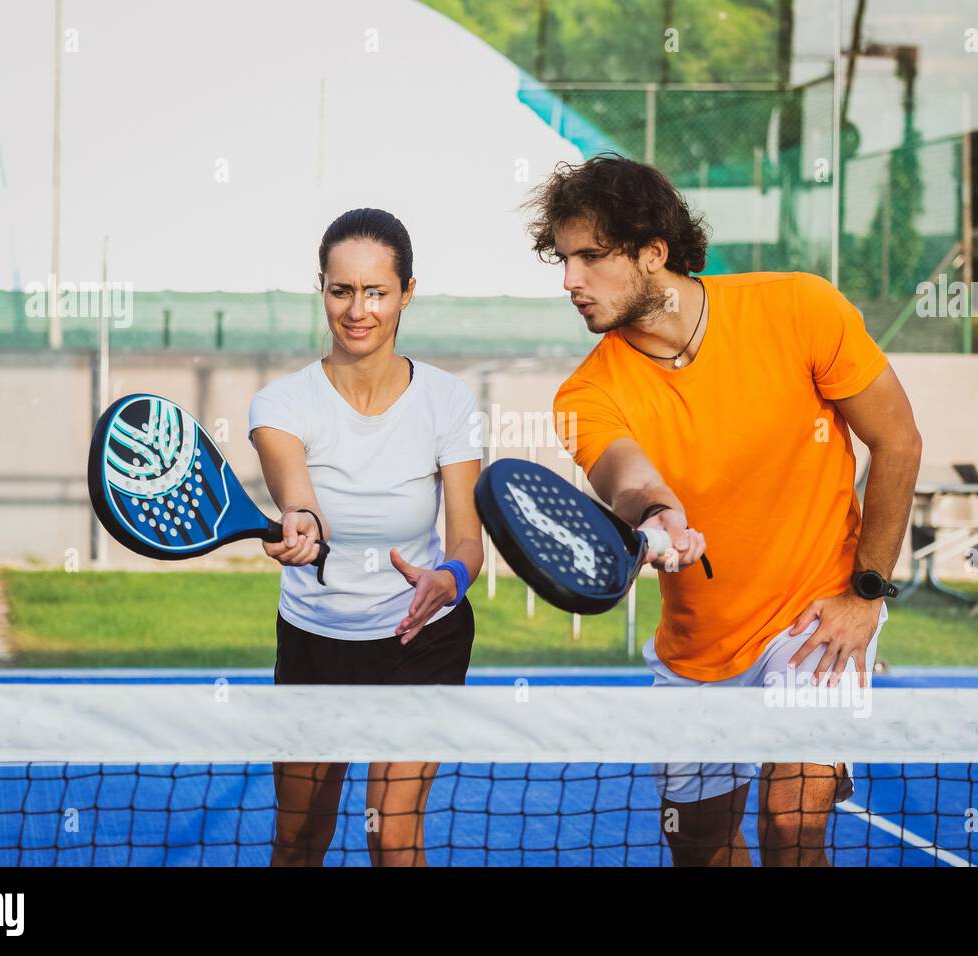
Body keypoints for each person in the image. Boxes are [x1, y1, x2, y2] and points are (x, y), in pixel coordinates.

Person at [532, 155, 922, 866]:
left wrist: (867, 595)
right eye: (563, 260)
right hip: (700, 649)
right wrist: (657, 513)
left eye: (590, 257)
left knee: (791, 826)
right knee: (699, 846)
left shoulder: (801, 308)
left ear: (654, 252)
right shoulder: (584, 395)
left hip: (816, 621)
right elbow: (627, 476)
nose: (569, 281)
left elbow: (897, 440)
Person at [247, 208, 483, 866]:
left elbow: (468, 542)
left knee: (392, 836)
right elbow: (301, 505)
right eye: (341, 290)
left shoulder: (448, 401)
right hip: (315, 645)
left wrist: (451, 580)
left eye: (376, 291)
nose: (358, 310)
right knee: (297, 841)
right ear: (321, 288)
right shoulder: (280, 404)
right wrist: (302, 530)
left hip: (421, 644)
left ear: (407, 292)